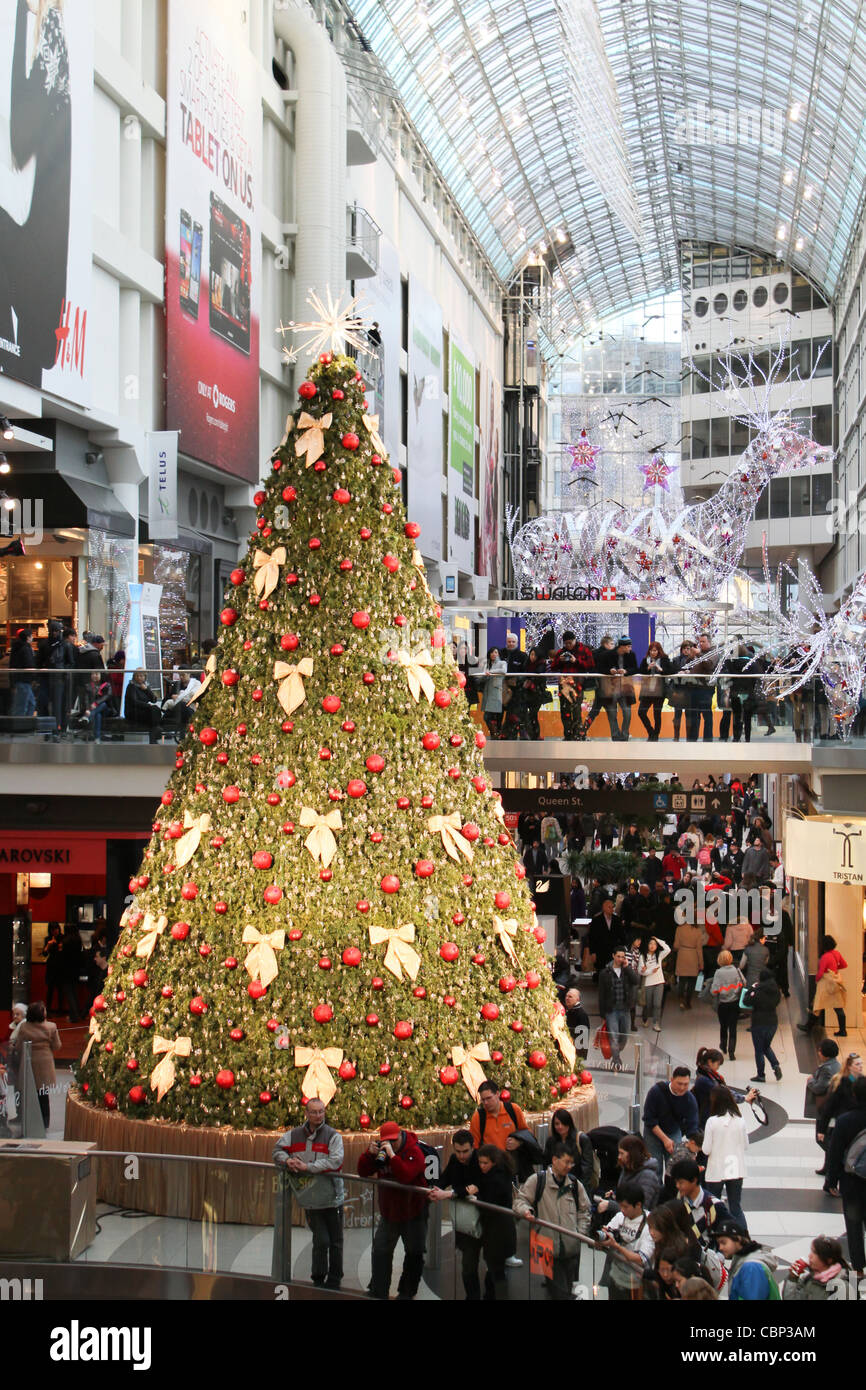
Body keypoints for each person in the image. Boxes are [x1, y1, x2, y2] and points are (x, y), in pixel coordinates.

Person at [273, 1098, 344, 1290]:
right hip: (310, 1199)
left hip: (332, 1198)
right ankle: (319, 1278)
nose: (318, 1115)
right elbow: (277, 1150)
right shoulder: (294, 1135)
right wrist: (287, 1161)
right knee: (321, 1239)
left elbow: (336, 1161)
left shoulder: (333, 1136)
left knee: (336, 1241)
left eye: (321, 1111)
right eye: (314, 1112)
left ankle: (335, 1279)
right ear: (306, 1113)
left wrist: (309, 1167)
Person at [357, 1120, 428, 1300]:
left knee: (414, 1252)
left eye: (393, 1141)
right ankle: (378, 1290)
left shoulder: (414, 1151)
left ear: (400, 1137)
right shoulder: (383, 1152)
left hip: (414, 1212)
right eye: (386, 1142)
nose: (390, 1145)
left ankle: (406, 1292)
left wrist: (393, 1155)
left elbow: (405, 1176)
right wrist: (369, 1154)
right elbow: (362, 1171)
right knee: (380, 1251)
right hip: (389, 1213)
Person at [514, 1142, 590, 1299]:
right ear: (555, 1160)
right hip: (546, 1246)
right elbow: (520, 1201)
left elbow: (585, 1210)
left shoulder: (575, 1185)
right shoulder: (537, 1181)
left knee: (564, 1288)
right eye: (566, 1162)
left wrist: (579, 1233)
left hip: (570, 1248)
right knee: (559, 1291)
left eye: (572, 1162)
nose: (569, 1166)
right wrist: (526, 1211)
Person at [429, 1129, 484, 1299]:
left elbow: (476, 1186)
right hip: (465, 1221)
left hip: (484, 1218)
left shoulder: (481, 1161)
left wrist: (448, 1193)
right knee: (468, 1266)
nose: (461, 1156)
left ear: (473, 1147)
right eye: (458, 1151)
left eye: (465, 1151)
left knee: (493, 1267)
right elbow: (445, 1178)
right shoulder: (455, 1160)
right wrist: (436, 1188)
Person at [825, 1074, 866, 1279]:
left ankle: (858, 1269)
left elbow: (834, 1152)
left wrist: (831, 1181)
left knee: (854, 1224)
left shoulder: (845, 1120)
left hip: (851, 1182)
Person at [467, 1145, 516, 1299]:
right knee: (495, 1269)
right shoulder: (499, 1175)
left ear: (493, 1162)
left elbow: (489, 1203)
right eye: (480, 1162)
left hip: (497, 1231)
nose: (482, 1166)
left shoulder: (496, 1180)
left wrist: (476, 1196)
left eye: (485, 1163)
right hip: (499, 1230)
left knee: (496, 1270)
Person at [597, 1182, 655, 1300]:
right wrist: (603, 1239)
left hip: (638, 1283)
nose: (622, 1210)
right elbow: (606, 1237)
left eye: (625, 1207)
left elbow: (640, 1259)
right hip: (616, 1278)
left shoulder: (650, 1223)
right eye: (620, 1206)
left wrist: (617, 1247)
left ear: (638, 1205)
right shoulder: (619, 1217)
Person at [9, 1001, 60, 1131]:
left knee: (29, 1093)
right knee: (43, 1094)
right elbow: (57, 1046)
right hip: (45, 1063)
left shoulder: (24, 1027)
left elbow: (19, 1046)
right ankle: (45, 1121)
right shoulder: (51, 1026)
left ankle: (29, 1119)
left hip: (29, 1062)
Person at [702, 1086, 749, 1228]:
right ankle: (743, 1237)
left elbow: (706, 1149)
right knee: (735, 1207)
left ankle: (716, 1238)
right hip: (735, 1167)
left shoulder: (712, 1121)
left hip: (716, 1169)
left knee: (714, 1207)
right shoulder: (740, 1120)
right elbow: (745, 1145)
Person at [818, 1052, 863, 1191]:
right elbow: (830, 1106)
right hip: (844, 1124)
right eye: (857, 1064)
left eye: (861, 1064)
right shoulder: (843, 1083)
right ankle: (831, 1183)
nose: (861, 1067)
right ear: (850, 1067)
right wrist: (822, 1128)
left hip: (853, 1124)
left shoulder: (861, 1082)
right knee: (837, 1154)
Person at [642, 1067, 700, 1170]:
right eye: (679, 1083)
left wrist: (692, 1150)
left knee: (675, 1167)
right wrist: (665, 1139)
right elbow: (649, 1119)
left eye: (686, 1084)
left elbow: (692, 1126)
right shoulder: (656, 1091)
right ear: (672, 1079)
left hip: (673, 1131)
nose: (682, 1088)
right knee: (654, 1167)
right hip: (653, 1132)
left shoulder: (690, 1099)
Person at [596, 1134, 662, 1216]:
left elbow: (641, 1209)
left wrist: (610, 1205)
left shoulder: (648, 1176)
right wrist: (615, 1197)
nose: (619, 1157)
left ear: (632, 1154)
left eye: (622, 1153)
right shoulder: (626, 1169)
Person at [670, 1157, 730, 1246]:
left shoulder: (714, 1205)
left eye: (681, 1182)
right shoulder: (677, 1202)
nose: (677, 1186)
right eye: (676, 1182)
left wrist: (719, 1255)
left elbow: (729, 1232)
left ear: (694, 1180)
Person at [598, 947, 639, 1070]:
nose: (620, 959)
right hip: (611, 1010)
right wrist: (602, 1015)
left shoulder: (626, 970)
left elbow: (636, 981)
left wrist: (627, 967)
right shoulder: (605, 973)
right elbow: (601, 994)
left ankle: (616, 1053)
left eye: (623, 957)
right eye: (618, 956)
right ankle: (616, 1061)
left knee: (624, 1036)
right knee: (613, 1036)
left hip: (625, 1009)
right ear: (613, 956)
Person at [716, 1221, 780, 1300]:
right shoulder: (746, 1263)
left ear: (738, 1239)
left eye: (724, 1242)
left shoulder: (751, 1268)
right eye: (719, 1243)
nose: (720, 1248)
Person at [800, 934, 848, 1037]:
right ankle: (843, 1030)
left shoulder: (825, 957)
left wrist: (816, 980)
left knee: (818, 1005)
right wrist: (835, 969)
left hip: (826, 984)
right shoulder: (836, 954)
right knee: (838, 1006)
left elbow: (820, 973)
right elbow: (844, 965)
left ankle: (808, 1027)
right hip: (835, 982)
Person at [541, 1109, 598, 1195]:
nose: (560, 1126)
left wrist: (578, 1189)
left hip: (578, 1187)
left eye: (563, 1123)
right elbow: (547, 1165)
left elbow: (587, 1169)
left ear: (569, 1124)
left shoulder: (581, 1139)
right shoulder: (551, 1141)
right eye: (557, 1124)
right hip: (556, 1188)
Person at [783, 1236, 856, 1300]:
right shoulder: (807, 1279)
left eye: (815, 1252)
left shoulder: (842, 1288)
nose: (809, 1256)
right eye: (811, 1251)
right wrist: (792, 1279)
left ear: (828, 1260)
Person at [806, 1037, 841, 1164]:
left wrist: (810, 1080)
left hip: (825, 1107)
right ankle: (827, 1166)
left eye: (820, 1051)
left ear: (825, 1054)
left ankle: (835, 1162)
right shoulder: (837, 1065)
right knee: (828, 1136)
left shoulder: (826, 1069)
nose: (818, 1053)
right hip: (833, 1107)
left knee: (821, 1137)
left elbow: (819, 1088)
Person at [745, 966, 783, 1083]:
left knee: (759, 1050)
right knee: (766, 1046)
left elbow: (746, 1001)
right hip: (772, 1023)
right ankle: (775, 1065)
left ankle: (761, 1075)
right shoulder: (776, 990)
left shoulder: (758, 990)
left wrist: (752, 988)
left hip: (759, 1023)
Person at [710, 949, 746, 1059]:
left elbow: (714, 990)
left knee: (723, 1026)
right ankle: (732, 1052)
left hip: (723, 1004)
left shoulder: (718, 972)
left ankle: (723, 1045)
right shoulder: (736, 970)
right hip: (734, 1003)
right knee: (733, 1027)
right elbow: (744, 983)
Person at [637, 641, 672, 740]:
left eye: (655, 650)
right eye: (651, 650)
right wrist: (648, 667)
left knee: (657, 714)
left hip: (659, 692)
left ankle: (655, 735)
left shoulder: (664, 659)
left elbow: (670, 671)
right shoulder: (645, 660)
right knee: (641, 712)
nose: (653, 652)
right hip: (647, 692)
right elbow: (640, 671)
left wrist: (659, 668)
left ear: (659, 651)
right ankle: (651, 731)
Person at [673, 916, 706, 1010]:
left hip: (682, 955)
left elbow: (676, 945)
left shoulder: (679, 929)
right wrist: (701, 963)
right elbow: (699, 948)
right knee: (692, 982)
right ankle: (688, 1001)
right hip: (693, 956)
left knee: (682, 981)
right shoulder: (698, 931)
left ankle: (681, 1000)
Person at [639, 936, 670, 1032]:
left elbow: (668, 949)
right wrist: (651, 971)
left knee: (657, 1004)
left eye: (654, 944)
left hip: (659, 982)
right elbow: (641, 971)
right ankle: (645, 1018)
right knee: (648, 1004)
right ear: (647, 945)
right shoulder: (642, 956)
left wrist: (659, 940)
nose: (652, 946)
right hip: (648, 983)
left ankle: (656, 1023)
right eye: (650, 943)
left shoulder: (659, 955)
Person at [124, 668, 165, 741]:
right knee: (154, 710)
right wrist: (148, 706)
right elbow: (134, 701)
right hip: (133, 711)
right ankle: (155, 733)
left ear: (145, 677)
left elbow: (154, 699)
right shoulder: (131, 686)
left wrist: (146, 690)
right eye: (137, 676)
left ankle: (154, 735)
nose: (139, 677)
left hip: (143, 710)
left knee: (155, 710)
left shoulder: (145, 686)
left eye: (141, 676)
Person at [586, 897, 622, 973]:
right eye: (609, 907)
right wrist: (592, 952)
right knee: (601, 973)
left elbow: (622, 935)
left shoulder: (617, 920)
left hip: (613, 951)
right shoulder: (596, 920)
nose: (611, 909)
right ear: (604, 908)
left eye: (613, 907)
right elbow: (592, 937)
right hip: (600, 951)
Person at [161, 668, 202, 734]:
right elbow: (168, 697)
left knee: (181, 705)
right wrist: (172, 696)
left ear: (189, 674)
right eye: (180, 675)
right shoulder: (177, 685)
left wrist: (181, 698)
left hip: (190, 709)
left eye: (183, 675)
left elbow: (196, 697)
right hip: (177, 710)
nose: (181, 677)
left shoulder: (195, 684)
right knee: (177, 705)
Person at [479, 647, 507, 738]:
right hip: (487, 692)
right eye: (492, 652)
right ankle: (495, 733)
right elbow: (483, 677)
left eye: (496, 652)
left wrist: (490, 672)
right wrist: (485, 674)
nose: (493, 654)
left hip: (496, 692)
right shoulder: (487, 664)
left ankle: (495, 733)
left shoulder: (502, 663)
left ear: (499, 654)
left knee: (491, 716)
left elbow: (503, 671)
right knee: (489, 716)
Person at [59, 924, 84, 1022]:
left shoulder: (65, 941)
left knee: (69, 993)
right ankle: (76, 1013)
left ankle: (74, 1016)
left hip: (66, 970)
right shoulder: (78, 940)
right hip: (75, 969)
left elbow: (63, 957)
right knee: (74, 992)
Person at [10, 626, 36, 716]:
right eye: (31, 636)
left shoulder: (17, 648)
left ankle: (25, 724)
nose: (32, 638)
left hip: (20, 679)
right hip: (24, 679)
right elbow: (29, 663)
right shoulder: (26, 649)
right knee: (23, 705)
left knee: (29, 703)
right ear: (28, 637)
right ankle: (21, 726)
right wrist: (34, 676)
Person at [41, 921, 64, 1014]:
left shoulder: (62, 938)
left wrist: (60, 946)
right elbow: (44, 953)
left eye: (57, 928)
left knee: (60, 989)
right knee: (50, 989)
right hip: (51, 966)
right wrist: (49, 945)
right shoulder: (48, 939)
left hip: (60, 966)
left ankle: (60, 1010)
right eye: (53, 929)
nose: (55, 931)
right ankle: (48, 1010)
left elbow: (63, 951)